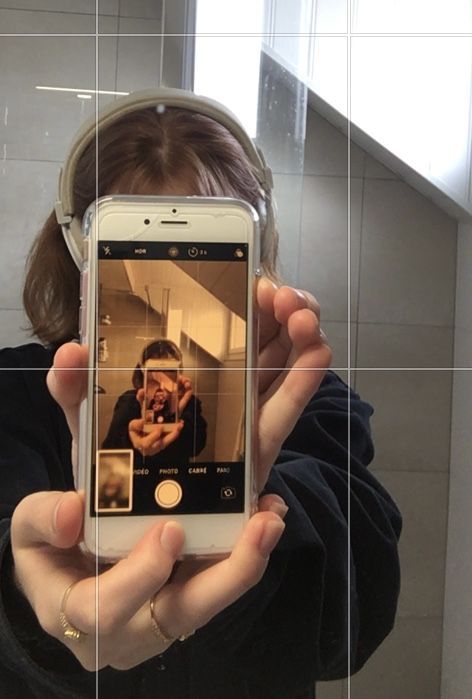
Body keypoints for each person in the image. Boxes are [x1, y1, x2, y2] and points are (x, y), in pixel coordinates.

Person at [0, 89, 401, 699]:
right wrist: (28, 596)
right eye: (146, 267)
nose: (175, 298)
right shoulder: (14, 395)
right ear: (81, 250)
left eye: (203, 267)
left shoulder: (316, 400)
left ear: (253, 255)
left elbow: (355, 620)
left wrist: (246, 505)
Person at [102, 340, 207, 465]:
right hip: (139, 477)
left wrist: (175, 417)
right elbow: (110, 448)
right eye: (156, 369)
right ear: (143, 371)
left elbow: (197, 447)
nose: (162, 376)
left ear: (179, 372)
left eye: (169, 370)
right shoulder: (129, 400)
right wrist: (131, 438)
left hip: (175, 476)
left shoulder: (190, 402)